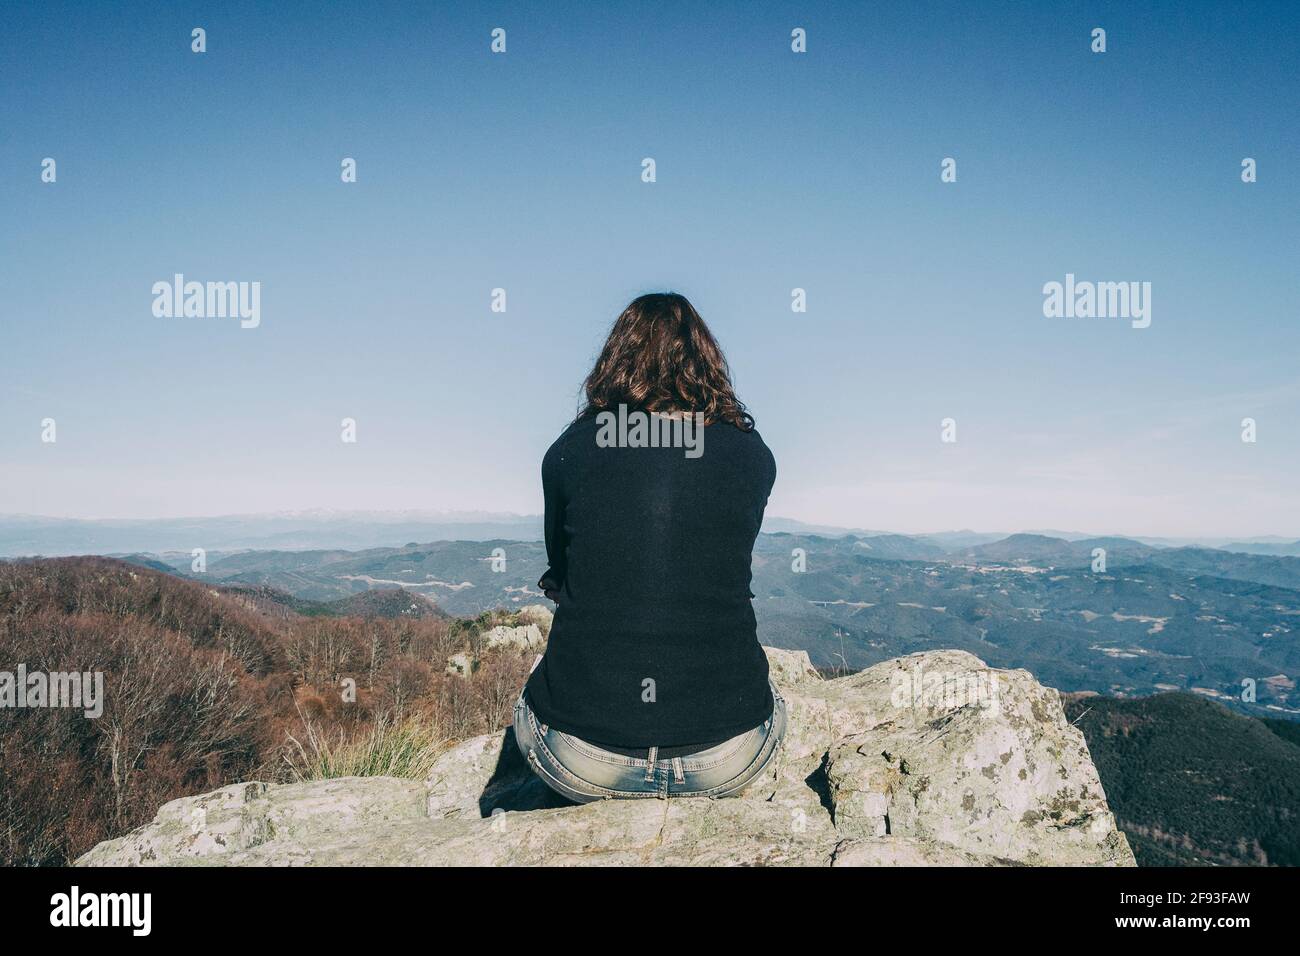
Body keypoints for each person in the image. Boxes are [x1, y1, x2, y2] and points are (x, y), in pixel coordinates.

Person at [513, 292, 785, 801]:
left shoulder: (569, 451)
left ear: (614, 361)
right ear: (708, 359)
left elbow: (562, 567)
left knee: (537, 686)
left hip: (580, 757)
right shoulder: (751, 454)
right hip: (726, 754)